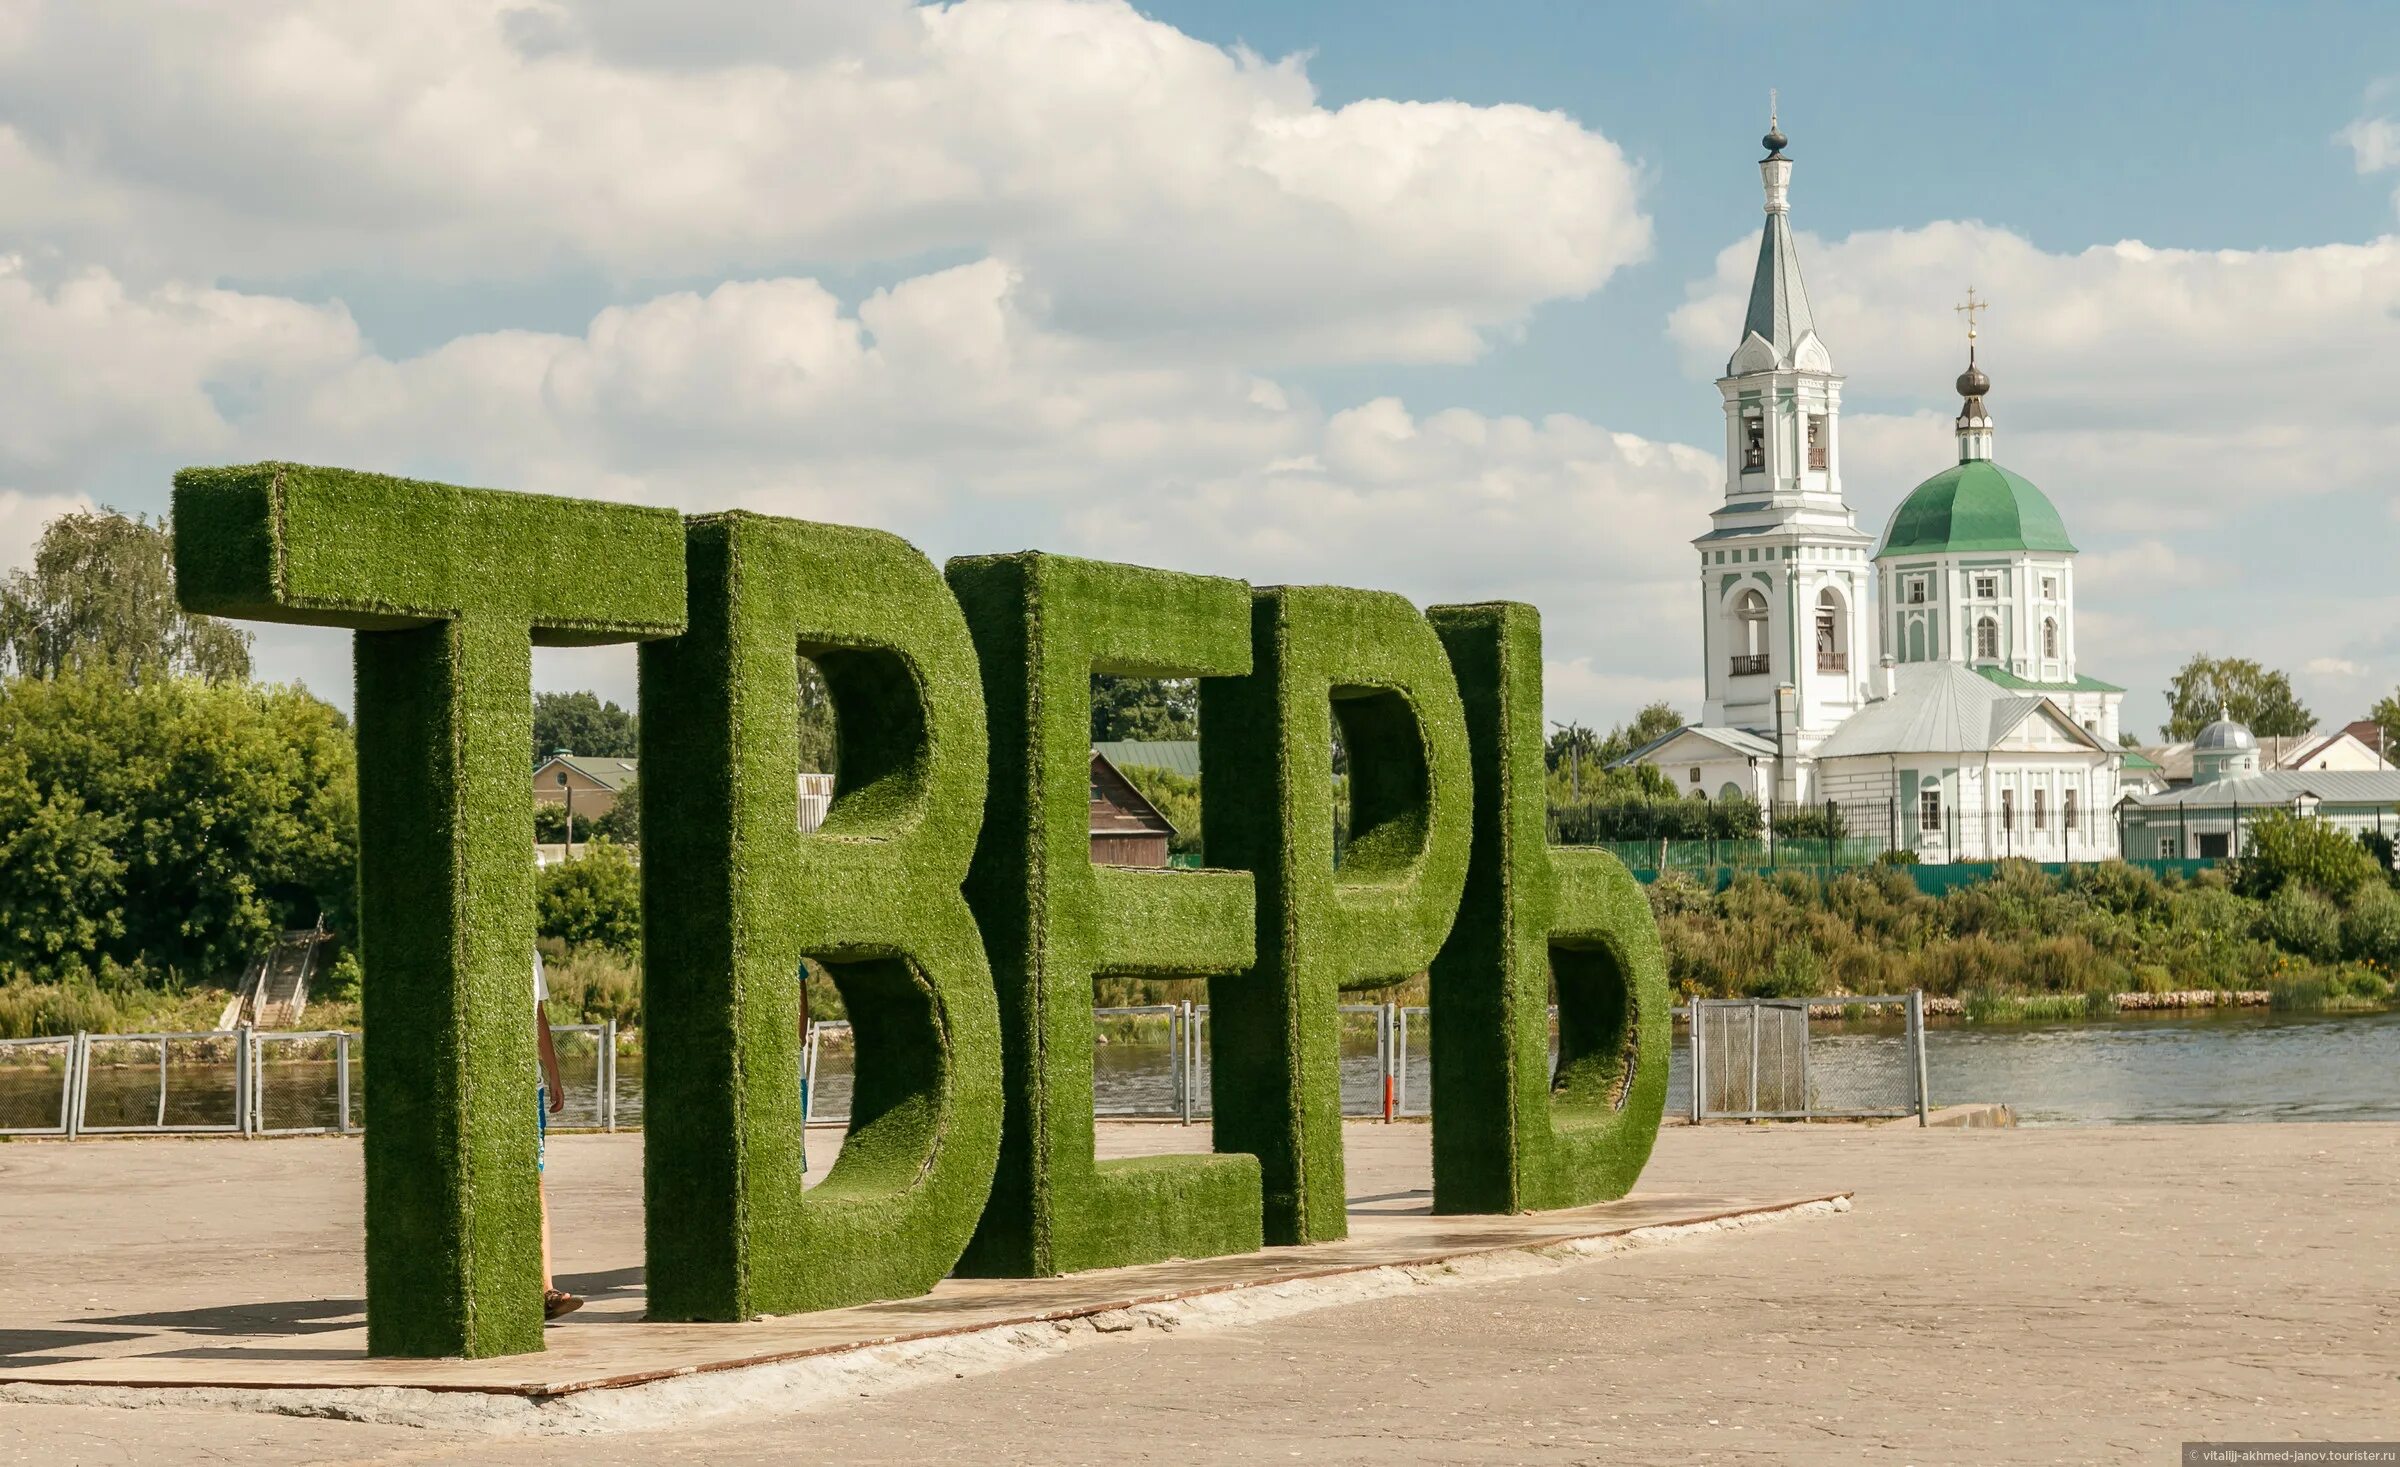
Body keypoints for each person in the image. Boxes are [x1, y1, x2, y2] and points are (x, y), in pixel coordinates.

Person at [535, 948, 582, 1321]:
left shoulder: (530, 954)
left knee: (534, 1182)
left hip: (529, 1088)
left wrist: (553, 1074)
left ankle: (545, 1288)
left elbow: (538, 1017)